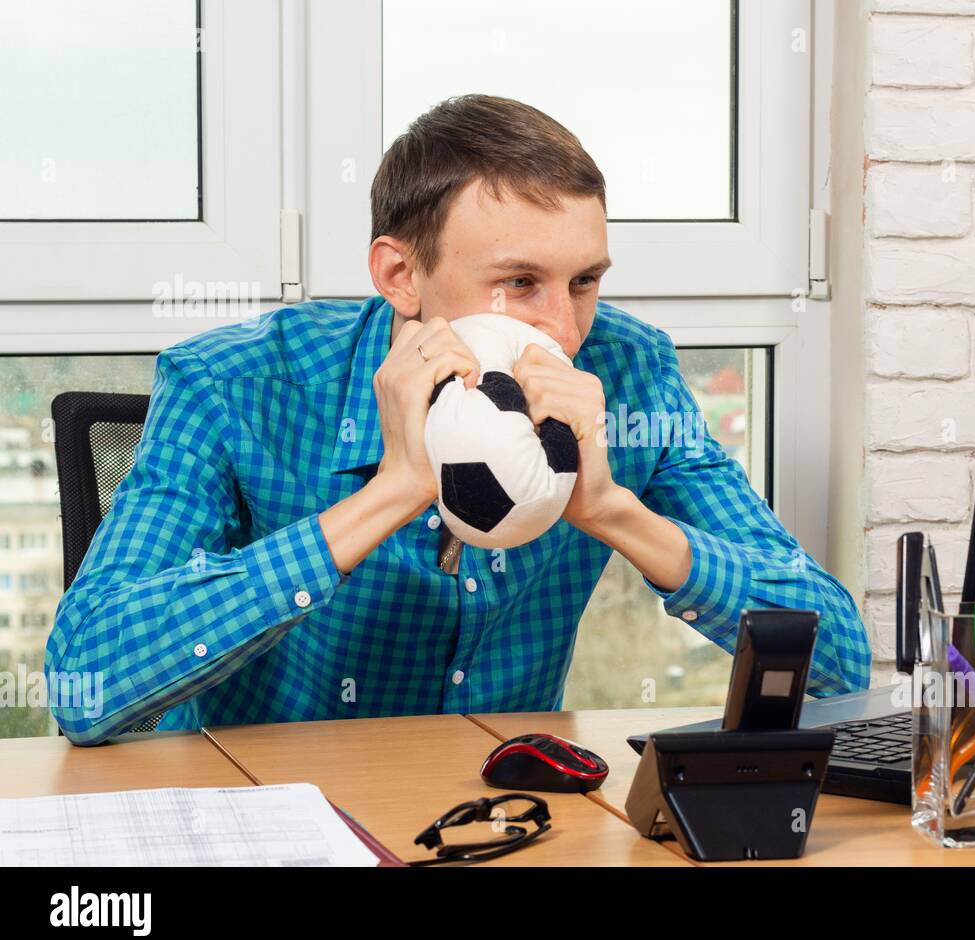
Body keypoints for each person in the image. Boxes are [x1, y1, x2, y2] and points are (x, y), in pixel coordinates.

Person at [46, 95, 870, 744]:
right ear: (401, 275)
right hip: (275, 814)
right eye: (519, 282)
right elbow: (87, 684)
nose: (565, 331)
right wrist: (390, 493)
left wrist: (615, 512)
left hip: (502, 816)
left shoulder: (626, 372)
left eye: (584, 281)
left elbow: (837, 660)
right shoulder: (233, 383)